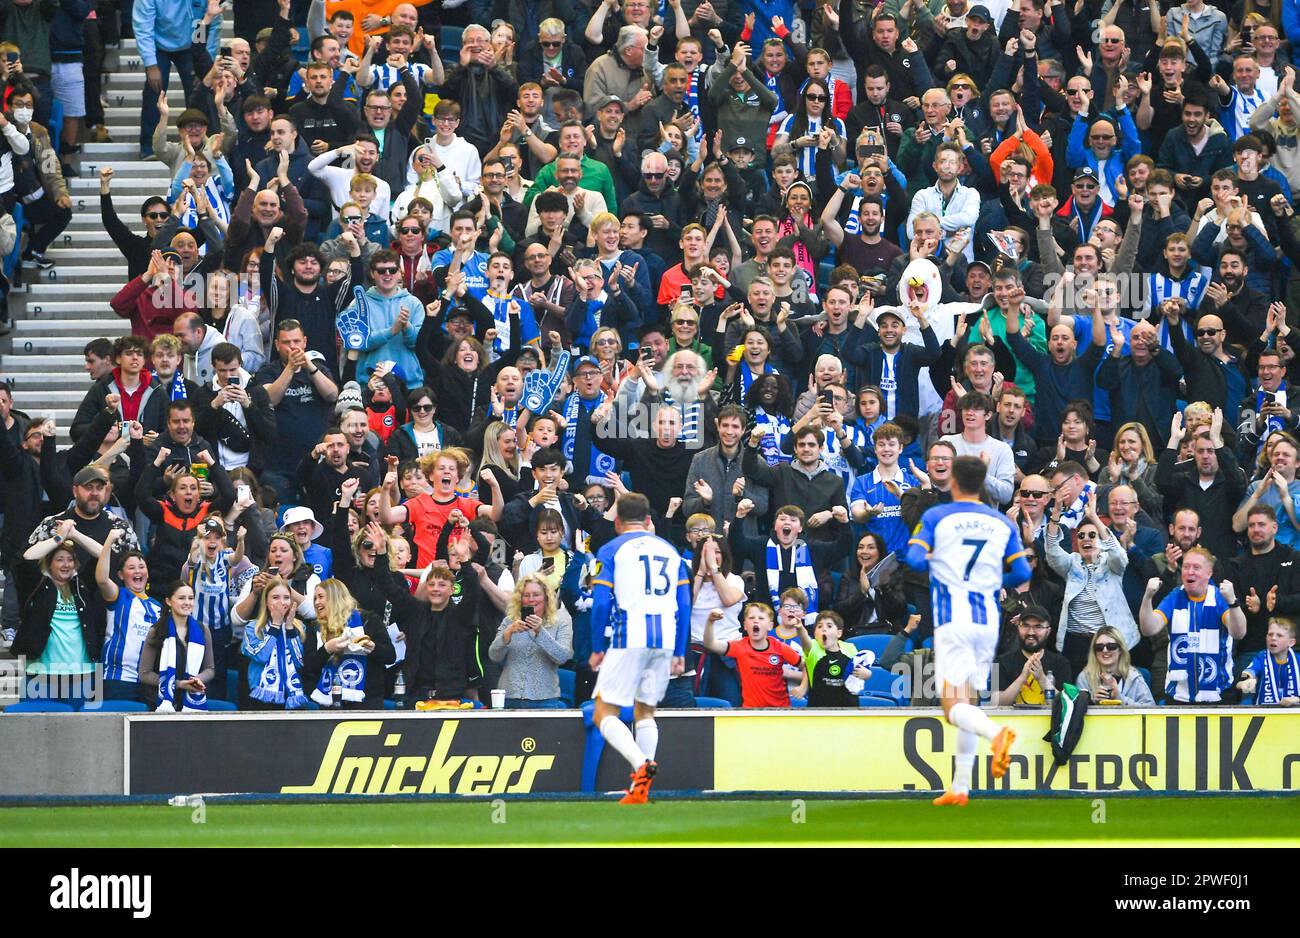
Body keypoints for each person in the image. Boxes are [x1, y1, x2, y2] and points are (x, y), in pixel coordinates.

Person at [904, 455, 1032, 805]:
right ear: (983, 483)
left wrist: (942, 565)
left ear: (954, 482)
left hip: (953, 618)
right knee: (969, 700)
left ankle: (997, 733)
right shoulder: (1000, 523)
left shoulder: (936, 517)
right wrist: (990, 581)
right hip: (987, 621)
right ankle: (960, 787)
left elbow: (913, 560)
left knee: (951, 707)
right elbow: (1022, 573)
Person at [588, 492, 690, 804]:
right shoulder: (671, 551)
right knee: (645, 710)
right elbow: (685, 602)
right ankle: (641, 789)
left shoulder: (610, 549)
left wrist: (596, 646)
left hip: (627, 636)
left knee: (603, 711)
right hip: (665, 638)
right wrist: (680, 650)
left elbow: (602, 600)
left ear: (617, 522)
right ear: (648, 521)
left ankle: (641, 765)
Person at [13, 525, 105, 707]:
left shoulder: (82, 587)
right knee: (35, 729)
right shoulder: (37, 585)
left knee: (81, 731)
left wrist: (75, 534)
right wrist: (58, 538)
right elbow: (27, 558)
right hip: (40, 673)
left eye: (70, 560)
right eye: (60, 560)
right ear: (49, 563)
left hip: (82, 673)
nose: (66, 564)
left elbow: (103, 554)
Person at [1140, 546, 1246, 703]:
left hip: (1218, 692)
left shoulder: (1219, 597)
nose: (1190, 572)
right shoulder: (1175, 596)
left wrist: (1232, 602)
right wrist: (1148, 597)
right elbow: (1149, 629)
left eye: (1196, 567)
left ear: (1209, 573)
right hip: (1178, 695)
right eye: (1186, 567)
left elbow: (1239, 633)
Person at [299, 577, 395, 709]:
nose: (316, 602)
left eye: (321, 597)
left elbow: (390, 656)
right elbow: (308, 668)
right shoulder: (315, 628)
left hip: (367, 701)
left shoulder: (368, 620)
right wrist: (327, 649)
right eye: (315, 598)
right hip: (329, 703)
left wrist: (373, 648)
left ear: (336, 597)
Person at [489, 573, 574, 707]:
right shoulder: (509, 621)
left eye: (536, 594)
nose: (531, 599)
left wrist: (540, 632)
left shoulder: (561, 621)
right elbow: (494, 656)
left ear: (546, 597)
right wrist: (507, 634)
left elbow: (562, 656)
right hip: (510, 698)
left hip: (545, 700)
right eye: (526, 595)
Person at [94, 528, 160, 703]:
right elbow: (101, 579)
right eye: (131, 568)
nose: (137, 571)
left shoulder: (158, 606)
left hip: (148, 682)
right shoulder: (119, 595)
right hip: (117, 679)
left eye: (141, 567)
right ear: (121, 575)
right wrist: (109, 541)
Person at [140, 580, 215, 712]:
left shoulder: (203, 630)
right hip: (160, 704)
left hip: (192, 700)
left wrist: (197, 680)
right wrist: (178, 684)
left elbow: (210, 669)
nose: (187, 602)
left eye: (191, 598)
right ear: (169, 601)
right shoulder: (156, 632)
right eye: (181, 598)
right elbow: (145, 674)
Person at [241, 575, 309, 709]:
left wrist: (289, 629)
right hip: (260, 695)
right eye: (275, 597)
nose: (282, 602)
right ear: (266, 602)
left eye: (286, 598)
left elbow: (299, 662)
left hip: (291, 694)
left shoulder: (299, 628)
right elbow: (261, 656)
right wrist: (276, 625)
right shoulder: (252, 628)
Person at [992, 604, 1074, 706]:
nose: (1031, 632)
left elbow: (1067, 705)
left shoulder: (1062, 663)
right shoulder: (998, 661)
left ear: (1048, 631)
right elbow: (993, 703)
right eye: (1025, 626)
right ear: (1018, 628)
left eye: (1038, 626)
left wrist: (1041, 678)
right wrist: (1022, 677)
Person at [1076, 624, 1157, 705]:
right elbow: (1077, 712)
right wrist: (1092, 701)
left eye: (1111, 646)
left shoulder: (1133, 676)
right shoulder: (1085, 677)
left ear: (1120, 650)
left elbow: (1151, 709)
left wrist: (1119, 698)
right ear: (1094, 652)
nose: (1105, 650)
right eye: (1099, 647)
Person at [1236, 617, 1299, 705]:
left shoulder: (1298, 660)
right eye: (1270, 634)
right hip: (1264, 711)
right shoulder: (1261, 657)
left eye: (1279, 635)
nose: (1273, 638)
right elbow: (1248, 673)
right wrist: (1244, 682)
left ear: (1291, 642)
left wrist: (1297, 699)